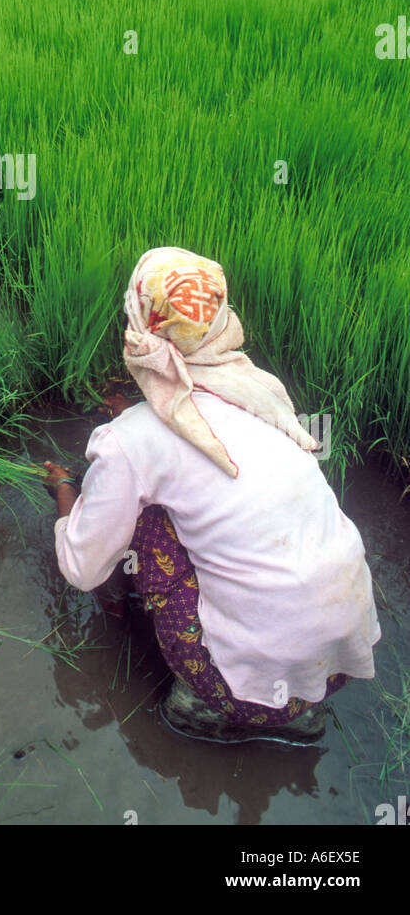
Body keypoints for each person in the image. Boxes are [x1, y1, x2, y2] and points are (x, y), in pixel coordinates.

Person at [44, 246, 380, 745]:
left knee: (146, 520)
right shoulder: (261, 392)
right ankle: (294, 708)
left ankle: (205, 705)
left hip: (242, 688)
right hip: (336, 665)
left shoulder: (129, 441)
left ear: (139, 325)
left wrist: (65, 491)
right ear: (220, 322)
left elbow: (81, 567)